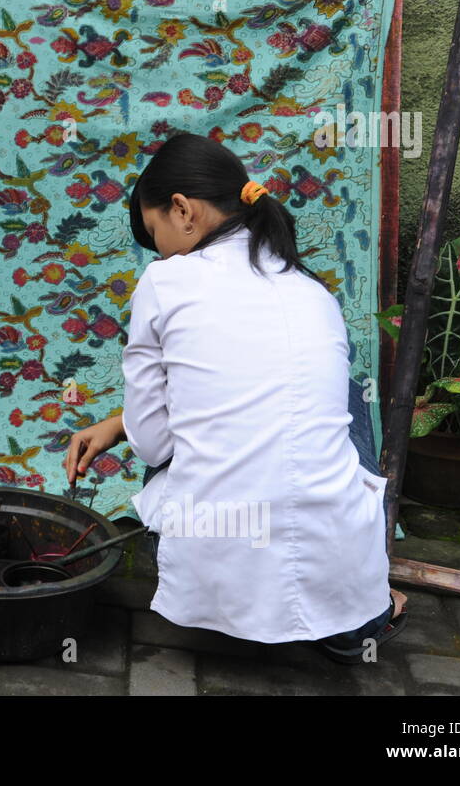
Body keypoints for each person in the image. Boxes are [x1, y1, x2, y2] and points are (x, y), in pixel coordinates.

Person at [64, 132, 407, 664]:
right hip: (341, 569)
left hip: (210, 557)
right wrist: (117, 422)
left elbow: (155, 447)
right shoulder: (311, 291)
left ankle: (228, 600)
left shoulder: (165, 281)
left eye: (155, 232)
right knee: (342, 393)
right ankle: (356, 612)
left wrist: (127, 425)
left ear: (182, 210)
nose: (159, 250)